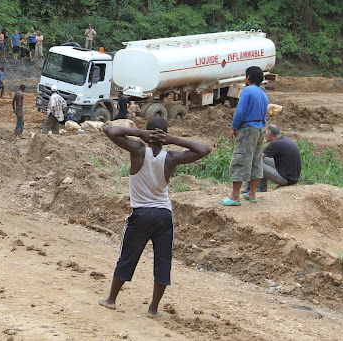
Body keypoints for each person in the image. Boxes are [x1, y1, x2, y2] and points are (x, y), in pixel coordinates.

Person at [99, 118, 211, 317]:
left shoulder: (138, 150)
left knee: (127, 257)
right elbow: (204, 150)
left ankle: (111, 299)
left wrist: (140, 133)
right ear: (164, 136)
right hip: (163, 215)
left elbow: (109, 130)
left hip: (141, 213)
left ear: (149, 134)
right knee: (163, 261)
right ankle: (153, 309)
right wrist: (174, 139)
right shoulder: (171, 157)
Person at [220, 66, 269, 206]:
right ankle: (252, 193)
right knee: (256, 160)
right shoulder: (263, 94)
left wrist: (234, 128)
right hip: (260, 129)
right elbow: (264, 116)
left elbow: (240, 112)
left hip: (248, 129)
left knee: (241, 159)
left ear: (248, 78)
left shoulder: (247, 90)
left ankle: (235, 196)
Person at [245, 124, 301, 192]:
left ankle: (248, 190)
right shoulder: (284, 140)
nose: (264, 135)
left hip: (285, 179)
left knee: (254, 162)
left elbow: (257, 158)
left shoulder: (276, 143)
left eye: (265, 133)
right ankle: (261, 189)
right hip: (293, 177)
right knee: (261, 160)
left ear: (269, 134)